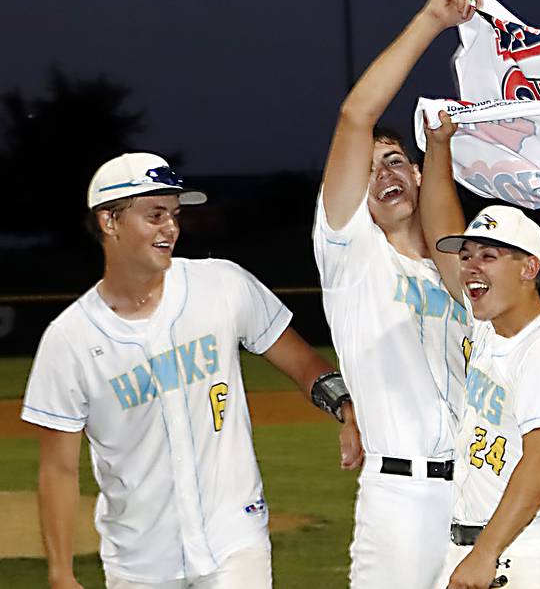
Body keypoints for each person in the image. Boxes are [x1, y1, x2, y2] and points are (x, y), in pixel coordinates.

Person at [23, 152, 349, 589]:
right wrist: (61, 573)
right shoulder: (70, 339)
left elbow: (304, 363)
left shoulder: (223, 284)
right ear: (109, 221)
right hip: (139, 563)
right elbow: (58, 470)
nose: (171, 228)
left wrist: (345, 407)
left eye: (174, 214)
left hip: (235, 543)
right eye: (154, 215)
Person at [313, 0, 481, 588]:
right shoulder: (352, 256)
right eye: (368, 168)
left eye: (394, 161)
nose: (383, 173)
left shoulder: (463, 270)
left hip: (476, 489)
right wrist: (432, 21)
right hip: (402, 499)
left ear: (418, 173)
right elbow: (355, 116)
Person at [420, 111, 540, 589]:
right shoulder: (488, 327)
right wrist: (438, 147)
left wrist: (486, 553)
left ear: (528, 268)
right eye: (467, 255)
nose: (471, 267)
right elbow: (438, 231)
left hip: (517, 556)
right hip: (481, 547)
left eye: (489, 256)